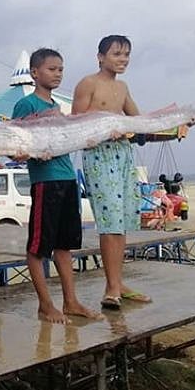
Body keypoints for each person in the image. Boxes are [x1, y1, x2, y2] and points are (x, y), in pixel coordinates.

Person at [12, 48, 103, 324]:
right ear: (35, 73)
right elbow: (16, 145)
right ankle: (45, 304)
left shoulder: (58, 108)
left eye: (61, 69)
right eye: (52, 69)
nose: (57, 74)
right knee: (38, 248)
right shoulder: (27, 105)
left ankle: (71, 301)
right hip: (45, 181)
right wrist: (33, 151)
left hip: (67, 178)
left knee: (65, 246)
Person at [72, 35, 147, 310]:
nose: (122, 59)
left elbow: (138, 121)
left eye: (126, 54)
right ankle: (112, 286)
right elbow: (76, 125)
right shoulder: (88, 83)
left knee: (123, 221)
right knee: (109, 222)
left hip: (124, 155)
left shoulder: (123, 87)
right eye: (117, 54)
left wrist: (174, 125)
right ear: (101, 57)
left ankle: (118, 283)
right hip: (99, 156)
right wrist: (104, 128)